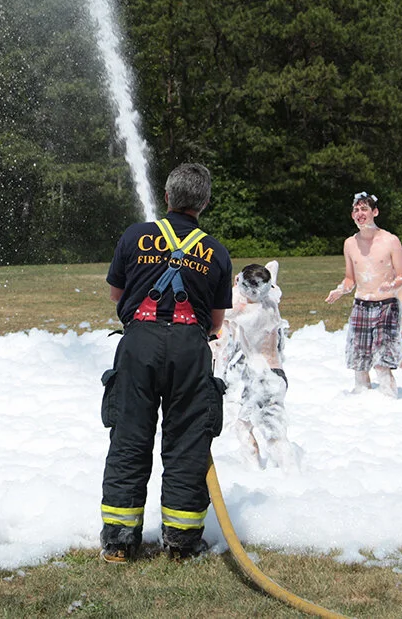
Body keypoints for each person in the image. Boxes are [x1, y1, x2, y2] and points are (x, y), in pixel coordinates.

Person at [99, 163, 233, 563]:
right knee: (188, 442)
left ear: (168, 197)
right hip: (190, 351)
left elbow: (114, 294)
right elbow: (216, 322)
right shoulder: (217, 252)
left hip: (138, 347)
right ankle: (182, 544)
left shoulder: (135, 236)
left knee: (129, 439)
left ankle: (121, 543)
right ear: (205, 203)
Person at [325, 192, 402, 397]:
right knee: (359, 361)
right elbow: (350, 279)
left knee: (382, 361)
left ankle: (389, 401)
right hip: (361, 305)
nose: (359, 213)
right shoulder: (350, 243)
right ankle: (362, 405)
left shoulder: (390, 240)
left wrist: (392, 286)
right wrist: (340, 290)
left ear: (375, 212)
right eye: (356, 210)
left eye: (364, 209)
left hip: (387, 304)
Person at [222, 262, 296, 470]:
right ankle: (267, 473)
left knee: (263, 433)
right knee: (258, 428)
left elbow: (217, 311)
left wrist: (236, 283)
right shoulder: (271, 296)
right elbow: (273, 266)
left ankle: (284, 477)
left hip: (263, 378)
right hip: (274, 375)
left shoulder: (245, 311)